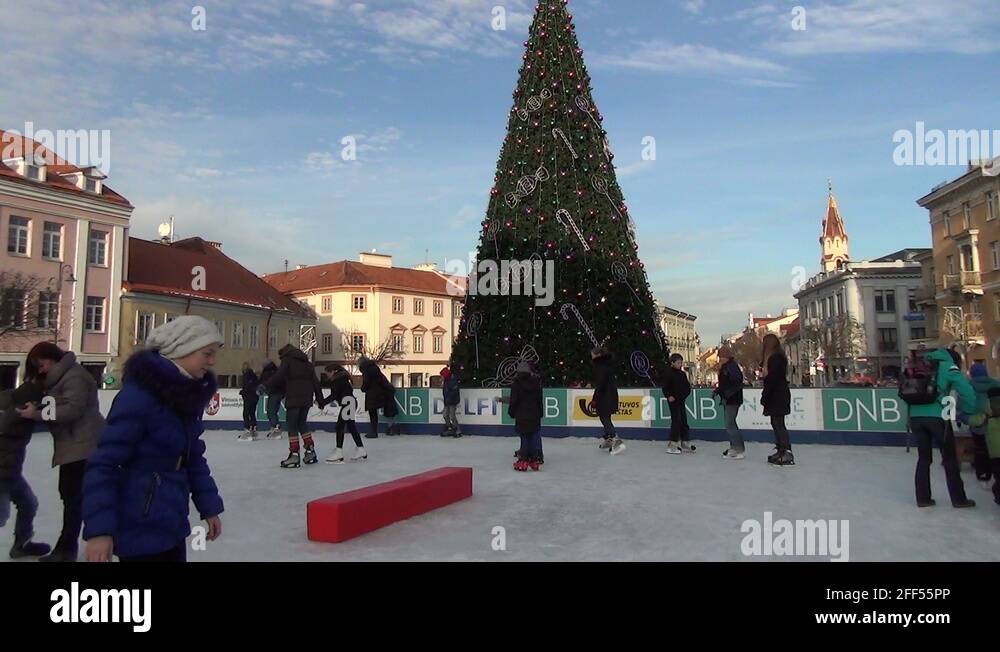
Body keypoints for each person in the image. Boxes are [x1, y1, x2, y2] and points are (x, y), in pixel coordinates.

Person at [82, 316, 224, 562]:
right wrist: (99, 531)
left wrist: (209, 507)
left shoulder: (186, 395)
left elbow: (192, 458)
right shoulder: (140, 397)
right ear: (183, 350)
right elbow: (104, 464)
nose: (212, 362)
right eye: (207, 353)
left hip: (171, 521)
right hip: (138, 523)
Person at [17, 343, 104, 562]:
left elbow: (72, 409)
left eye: (42, 364)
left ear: (53, 358)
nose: (41, 370)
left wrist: (37, 413)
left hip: (84, 446)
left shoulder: (74, 376)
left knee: (74, 499)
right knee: (71, 497)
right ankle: (67, 548)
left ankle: (68, 550)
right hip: (74, 445)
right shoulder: (61, 377)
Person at [903, 348, 978, 508]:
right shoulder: (947, 367)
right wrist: (969, 411)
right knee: (949, 459)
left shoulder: (919, 364)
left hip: (915, 417)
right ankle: (959, 499)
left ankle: (923, 498)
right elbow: (966, 390)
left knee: (924, 458)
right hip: (937, 417)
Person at [0, 382, 51, 558]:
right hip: (2, 472)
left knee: (28, 504)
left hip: (11, 471)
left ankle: (22, 544)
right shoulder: (14, 414)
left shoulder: (14, 405)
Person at [263, 345, 324, 469]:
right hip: (306, 399)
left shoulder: (288, 361)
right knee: (302, 424)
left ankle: (294, 455)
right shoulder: (308, 364)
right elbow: (316, 382)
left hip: (294, 398)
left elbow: (278, 376)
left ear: (284, 354)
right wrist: (320, 399)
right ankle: (310, 451)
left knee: (292, 426)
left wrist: (265, 385)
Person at [320, 364, 366, 464]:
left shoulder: (337, 380)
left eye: (328, 373)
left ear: (333, 371)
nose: (327, 375)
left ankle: (339, 452)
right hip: (351, 402)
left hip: (348, 403)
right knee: (350, 426)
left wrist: (322, 403)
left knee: (340, 426)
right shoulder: (344, 377)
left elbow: (333, 395)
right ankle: (360, 449)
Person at [761, 333, 794, 466]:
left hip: (777, 395)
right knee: (776, 423)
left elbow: (772, 379)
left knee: (779, 424)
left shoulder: (775, 358)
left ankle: (786, 452)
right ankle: (781, 450)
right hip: (777, 394)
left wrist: (765, 396)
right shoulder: (774, 357)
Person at [590, 343, 624, 455]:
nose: (592, 357)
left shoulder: (601, 367)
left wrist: (595, 399)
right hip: (610, 395)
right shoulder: (606, 364)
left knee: (604, 418)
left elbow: (600, 384)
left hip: (605, 396)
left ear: (598, 355)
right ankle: (609, 439)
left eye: (593, 355)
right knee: (605, 417)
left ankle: (615, 438)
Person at [509, 361, 544, 471]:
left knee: (524, 438)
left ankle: (523, 460)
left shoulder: (516, 384)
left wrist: (511, 412)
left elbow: (513, 400)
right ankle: (534, 460)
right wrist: (540, 412)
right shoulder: (536, 382)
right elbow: (539, 400)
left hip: (521, 415)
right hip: (534, 414)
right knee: (534, 437)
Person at [968, 362, 997, 483]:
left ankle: (981, 471)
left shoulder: (968, 386)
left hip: (976, 422)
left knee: (979, 447)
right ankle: (994, 471)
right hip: (995, 422)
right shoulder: (996, 384)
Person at [714, 346, 745, 460]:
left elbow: (737, 382)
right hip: (729, 398)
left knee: (730, 424)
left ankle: (738, 449)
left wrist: (727, 393)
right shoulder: (726, 367)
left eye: (721, 357)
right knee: (730, 424)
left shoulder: (731, 367)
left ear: (727, 356)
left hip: (732, 400)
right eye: (720, 357)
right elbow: (725, 384)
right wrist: (718, 391)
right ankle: (735, 447)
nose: (720, 359)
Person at [661, 353, 694, 454]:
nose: (680, 364)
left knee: (684, 420)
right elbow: (665, 386)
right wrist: (669, 395)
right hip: (673, 401)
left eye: (681, 362)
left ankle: (685, 441)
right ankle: (673, 443)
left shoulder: (682, 374)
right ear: (673, 363)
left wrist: (684, 395)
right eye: (678, 362)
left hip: (681, 400)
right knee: (676, 421)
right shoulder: (668, 373)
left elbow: (687, 387)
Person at [359, 357, 400, 438]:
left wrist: (363, 388)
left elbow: (366, 381)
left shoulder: (366, 369)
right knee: (389, 409)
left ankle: (374, 432)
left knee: (373, 413)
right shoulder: (375, 367)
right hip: (384, 390)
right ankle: (392, 427)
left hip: (372, 393)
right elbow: (381, 379)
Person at [258, 360, 284, 439]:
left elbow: (263, 382)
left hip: (273, 393)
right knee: (274, 411)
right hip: (279, 393)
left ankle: (276, 427)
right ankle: (275, 427)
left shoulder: (266, 373)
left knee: (271, 411)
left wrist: (261, 389)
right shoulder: (277, 371)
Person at [238, 362, 261, 441]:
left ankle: (247, 430)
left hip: (249, 397)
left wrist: (242, 392)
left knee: (246, 413)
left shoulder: (246, 376)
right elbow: (256, 385)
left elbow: (247, 387)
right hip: (255, 397)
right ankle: (254, 429)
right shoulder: (254, 376)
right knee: (252, 413)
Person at [441, 366, 463, 438]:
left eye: (442, 376)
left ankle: (458, 430)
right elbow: (445, 392)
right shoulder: (446, 381)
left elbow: (454, 392)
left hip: (453, 401)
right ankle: (451, 428)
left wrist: (450, 400)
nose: (441, 377)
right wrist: (446, 401)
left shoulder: (453, 380)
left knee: (452, 416)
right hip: (447, 401)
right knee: (445, 415)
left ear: (446, 375)